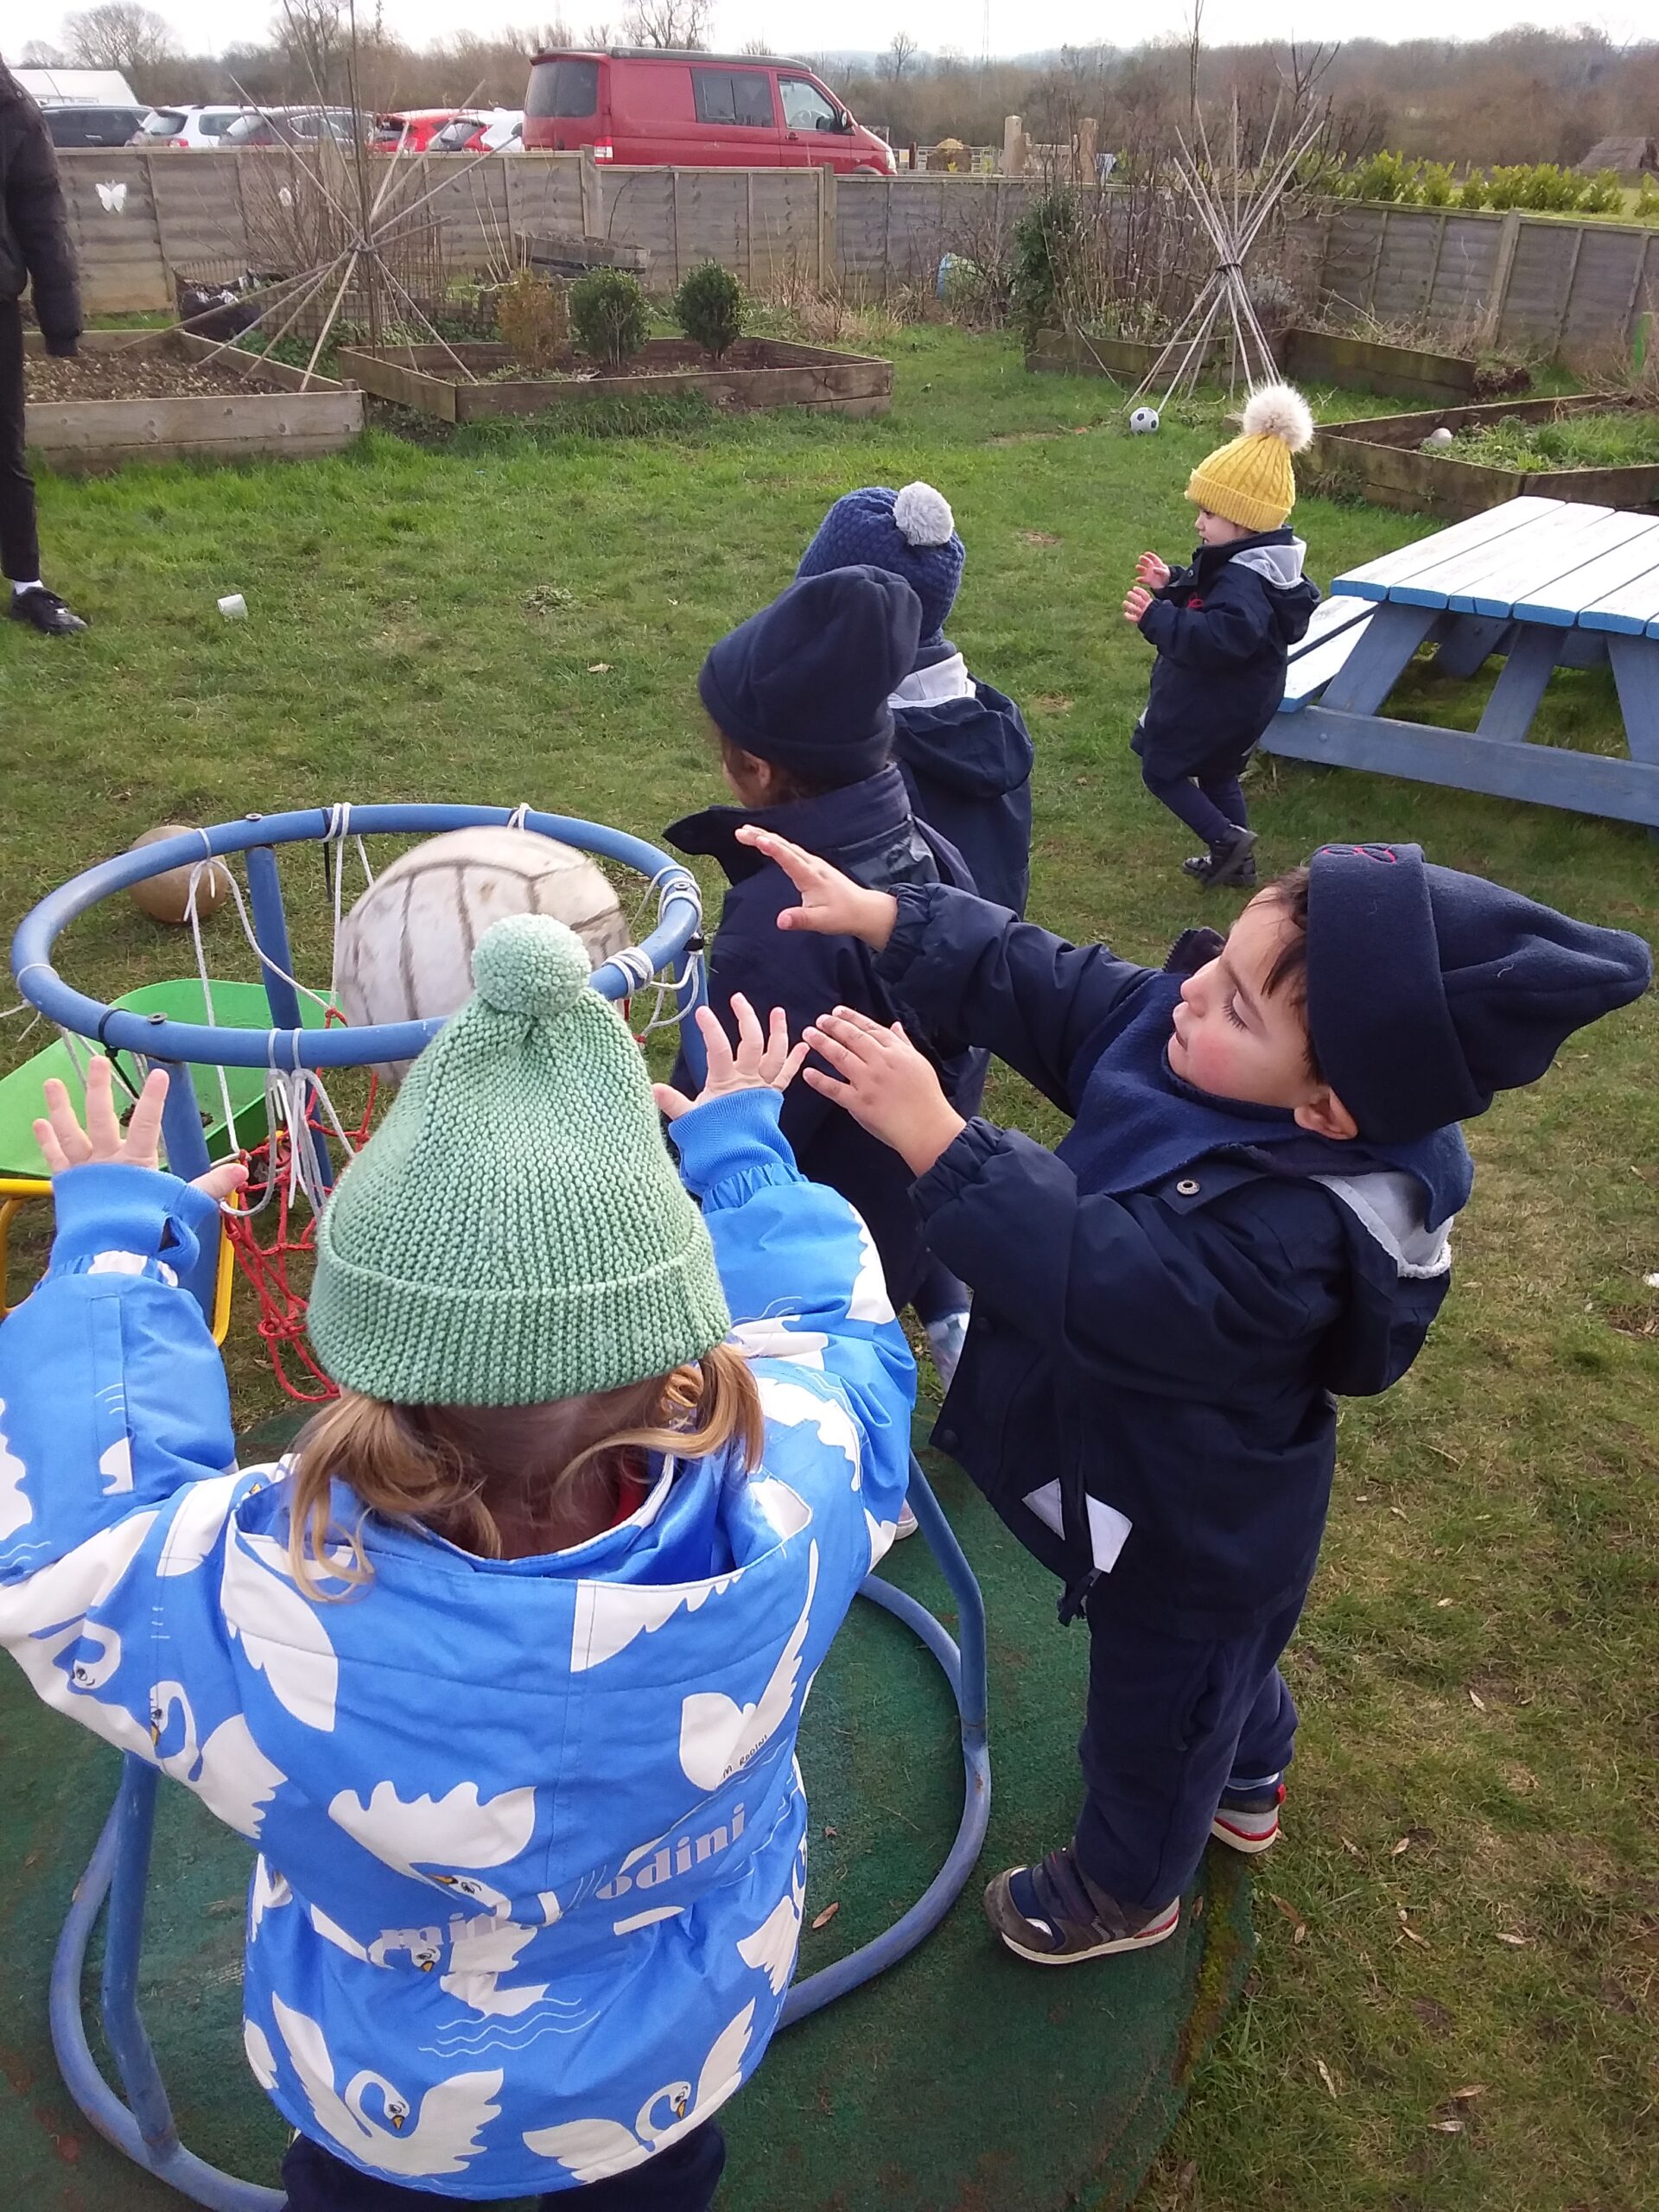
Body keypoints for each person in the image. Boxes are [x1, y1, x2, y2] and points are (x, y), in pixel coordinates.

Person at [0, 914, 913, 2207]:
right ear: (676, 1341)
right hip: (667, 2064)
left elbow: (71, 1544)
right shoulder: (799, 1497)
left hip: (387, 2109)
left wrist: (113, 1260)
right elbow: (840, 1337)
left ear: (369, 1360)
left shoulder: (260, 1590)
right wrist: (742, 1153)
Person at [731, 826, 1650, 1967]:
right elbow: (1063, 989)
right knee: (1216, 1687)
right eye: (1218, 962)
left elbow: (1106, 1279)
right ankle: (1250, 1774)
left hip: (1189, 1538)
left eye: (1234, 1003)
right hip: (1135, 1488)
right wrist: (896, 920)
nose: (1190, 993)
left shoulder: (1290, 1245)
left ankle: (1126, 1890)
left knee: (1159, 1724)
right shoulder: (1208, 1048)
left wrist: (940, 1140)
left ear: (1326, 1113)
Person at [666, 563, 986, 1412]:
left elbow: (728, 1108)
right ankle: (954, 1318)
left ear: (757, 770)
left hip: (818, 1245)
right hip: (912, 1195)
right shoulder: (926, 850)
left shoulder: (781, 928)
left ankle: (848, 1455)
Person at [796, 481, 1035, 918]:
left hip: (924, 964)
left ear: (849, 627)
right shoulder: (992, 717)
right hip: (998, 948)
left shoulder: (874, 761)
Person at [1123, 385, 1319, 890]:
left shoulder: (1243, 580)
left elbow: (1220, 635)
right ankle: (1240, 865)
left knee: (1160, 770)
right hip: (1244, 703)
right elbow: (1207, 595)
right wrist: (1173, 584)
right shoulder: (1254, 564)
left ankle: (1226, 840)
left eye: (1209, 515)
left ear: (1244, 521)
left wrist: (1156, 620)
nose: (1198, 522)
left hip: (1215, 702)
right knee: (1216, 774)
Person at [0, 62, 86, 635]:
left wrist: (62, 322)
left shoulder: (8, 105)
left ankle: (28, 588)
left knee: (4, 452)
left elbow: (42, 212)